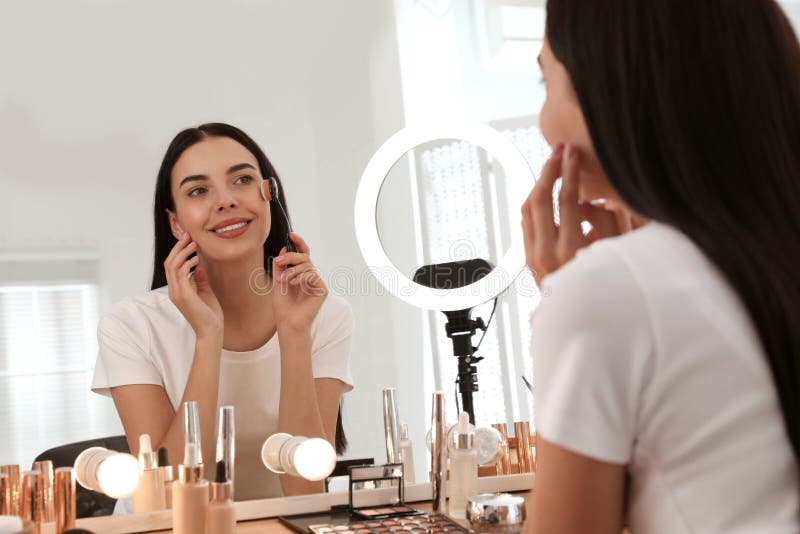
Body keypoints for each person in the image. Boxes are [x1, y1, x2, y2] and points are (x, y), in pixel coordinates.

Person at [521, 1, 800, 532]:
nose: (542, 121)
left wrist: (567, 295)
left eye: (545, 84)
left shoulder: (606, 294)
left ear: (613, 95)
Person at [91, 123, 354, 503]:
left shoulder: (324, 315)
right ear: (176, 222)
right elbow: (167, 497)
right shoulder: (131, 325)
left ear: (268, 194)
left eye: (243, 180)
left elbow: (306, 491)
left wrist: (294, 332)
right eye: (198, 190)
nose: (226, 200)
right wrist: (208, 337)